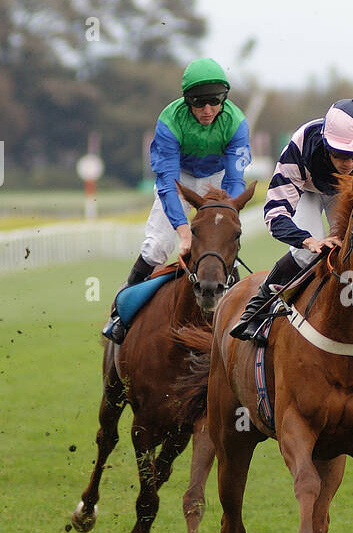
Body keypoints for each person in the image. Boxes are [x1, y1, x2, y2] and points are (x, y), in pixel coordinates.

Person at [102, 57, 251, 343]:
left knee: (224, 242)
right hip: (179, 178)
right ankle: (121, 314)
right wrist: (183, 230)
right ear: (187, 100)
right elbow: (168, 183)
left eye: (215, 100)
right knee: (157, 247)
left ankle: (239, 317)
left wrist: (227, 214)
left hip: (218, 179)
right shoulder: (170, 121)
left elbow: (234, 179)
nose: (207, 110)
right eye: (199, 102)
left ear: (224, 98)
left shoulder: (237, 123)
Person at [229, 98, 353, 345]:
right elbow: (274, 214)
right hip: (306, 190)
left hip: (346, 193)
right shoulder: (302, 143)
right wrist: (307, 241)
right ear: (326, 143)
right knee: (306, 255)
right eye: (340, 154)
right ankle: (258, 306)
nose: (348, 163)